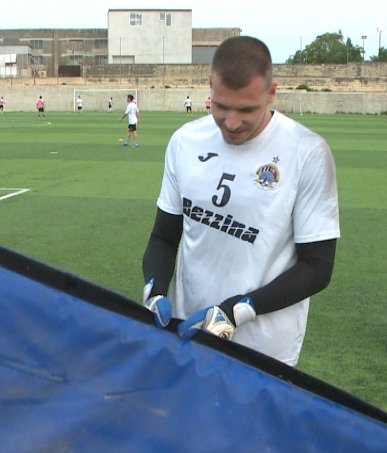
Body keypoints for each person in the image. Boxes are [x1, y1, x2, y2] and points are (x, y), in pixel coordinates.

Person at [141, 36, 340, 367]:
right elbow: (163, 237)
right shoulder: (185, 141)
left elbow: (317, 267)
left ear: (271, 92)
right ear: (210, 86)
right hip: (187, 333)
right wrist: (155, 291)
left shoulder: (308, 152)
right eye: (221, 107)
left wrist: (236, 311)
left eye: (246, 109)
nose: (231, 123)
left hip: (264, 350)